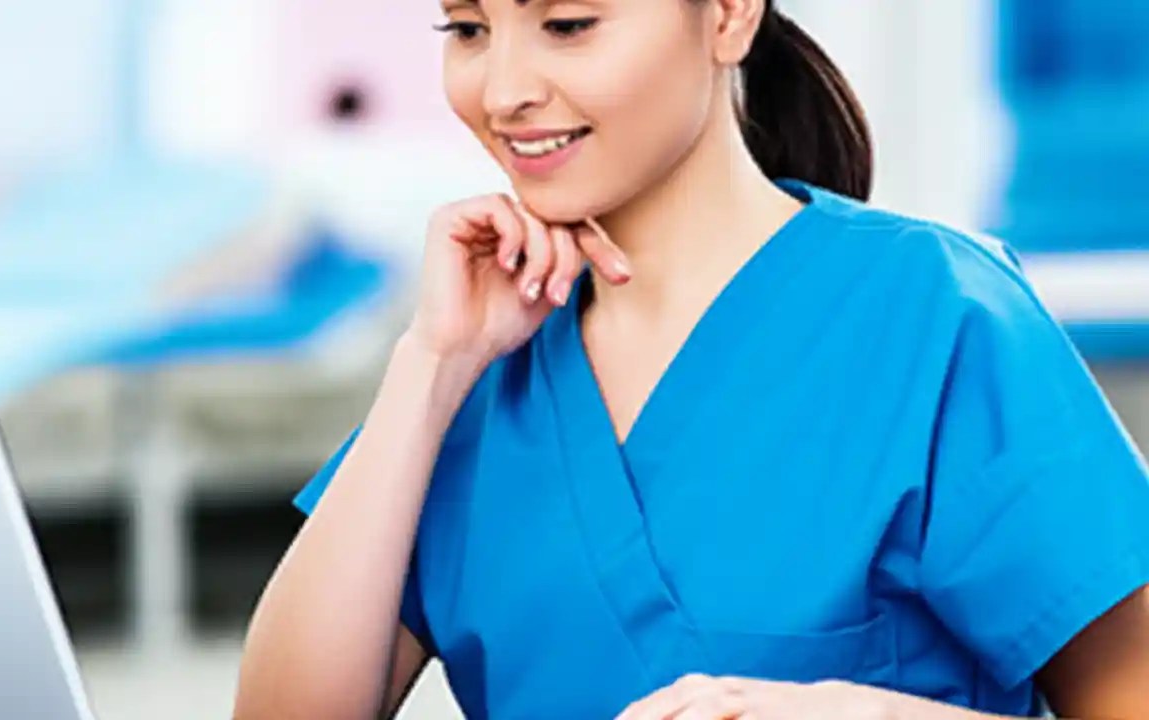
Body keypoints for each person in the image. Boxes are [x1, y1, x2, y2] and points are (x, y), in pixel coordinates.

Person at [234, 1, 1149, 717]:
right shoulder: (476, 374)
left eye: (567, 25)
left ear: (727, 14)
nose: (503, 89)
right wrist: (430, 363)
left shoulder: (936, 315)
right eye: (468, 28)